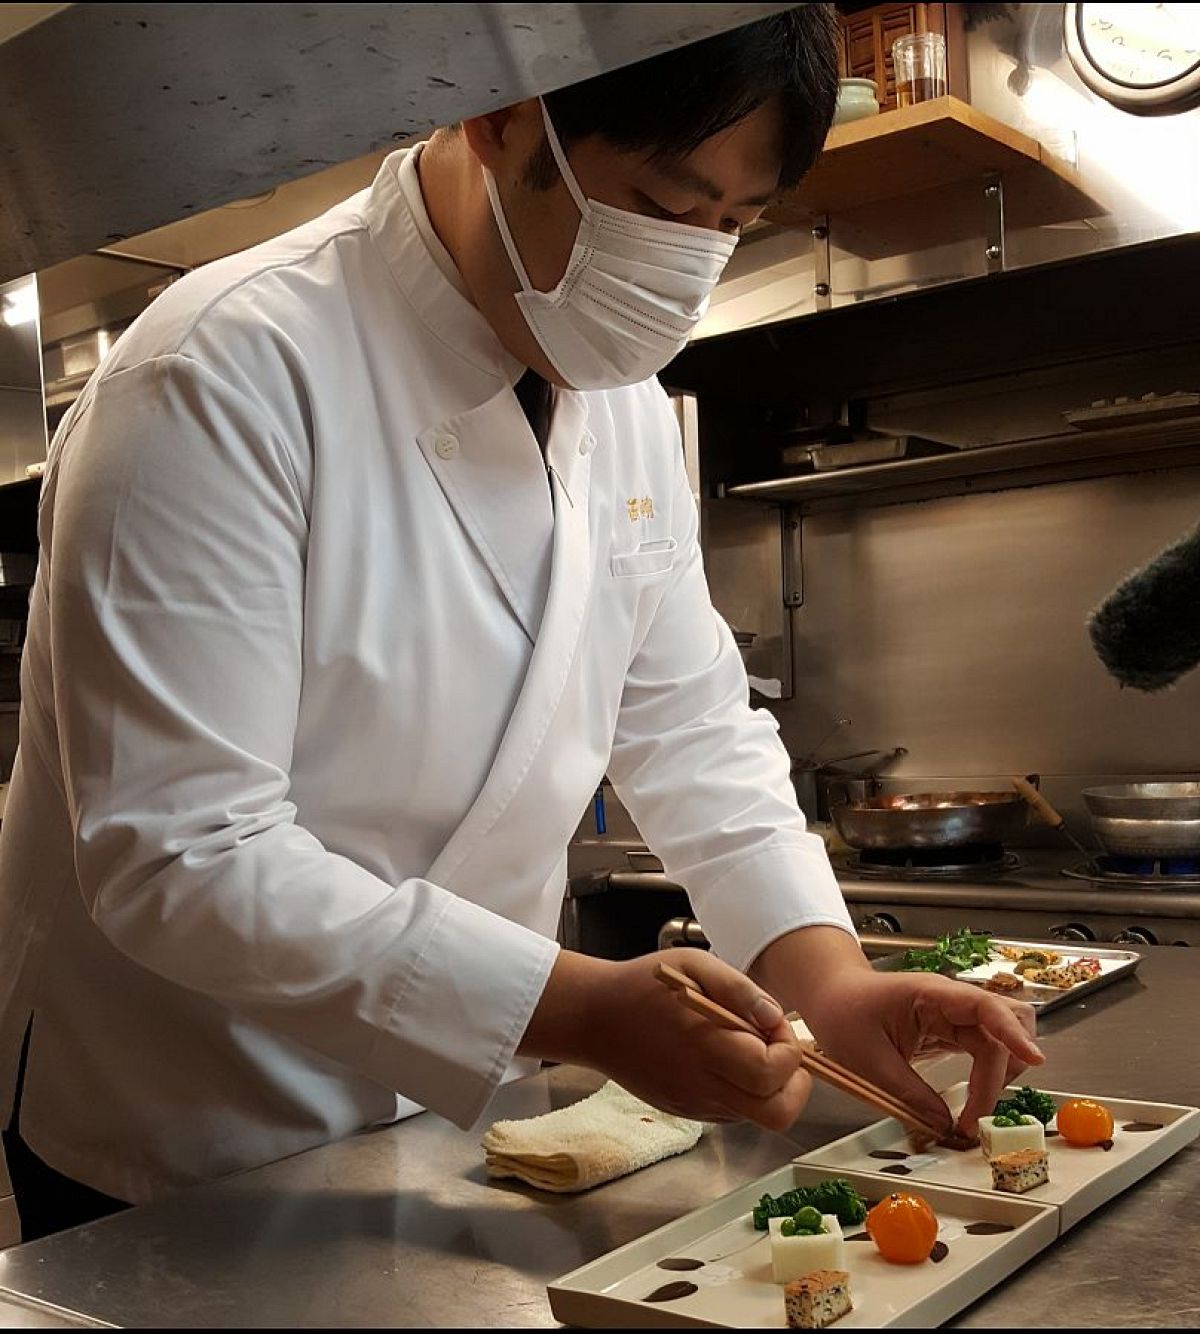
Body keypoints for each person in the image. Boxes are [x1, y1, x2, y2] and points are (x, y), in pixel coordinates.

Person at [0, 6, 1041, 1242]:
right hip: (185, 1114)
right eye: (664, 200)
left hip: (454, 1106)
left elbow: (691, 723)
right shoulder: (219, 373)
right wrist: (584, 1008)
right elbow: (181, 853)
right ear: (497, 112)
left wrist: (829, 975)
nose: (690, 263)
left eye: (733, 225)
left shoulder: (624, 404)